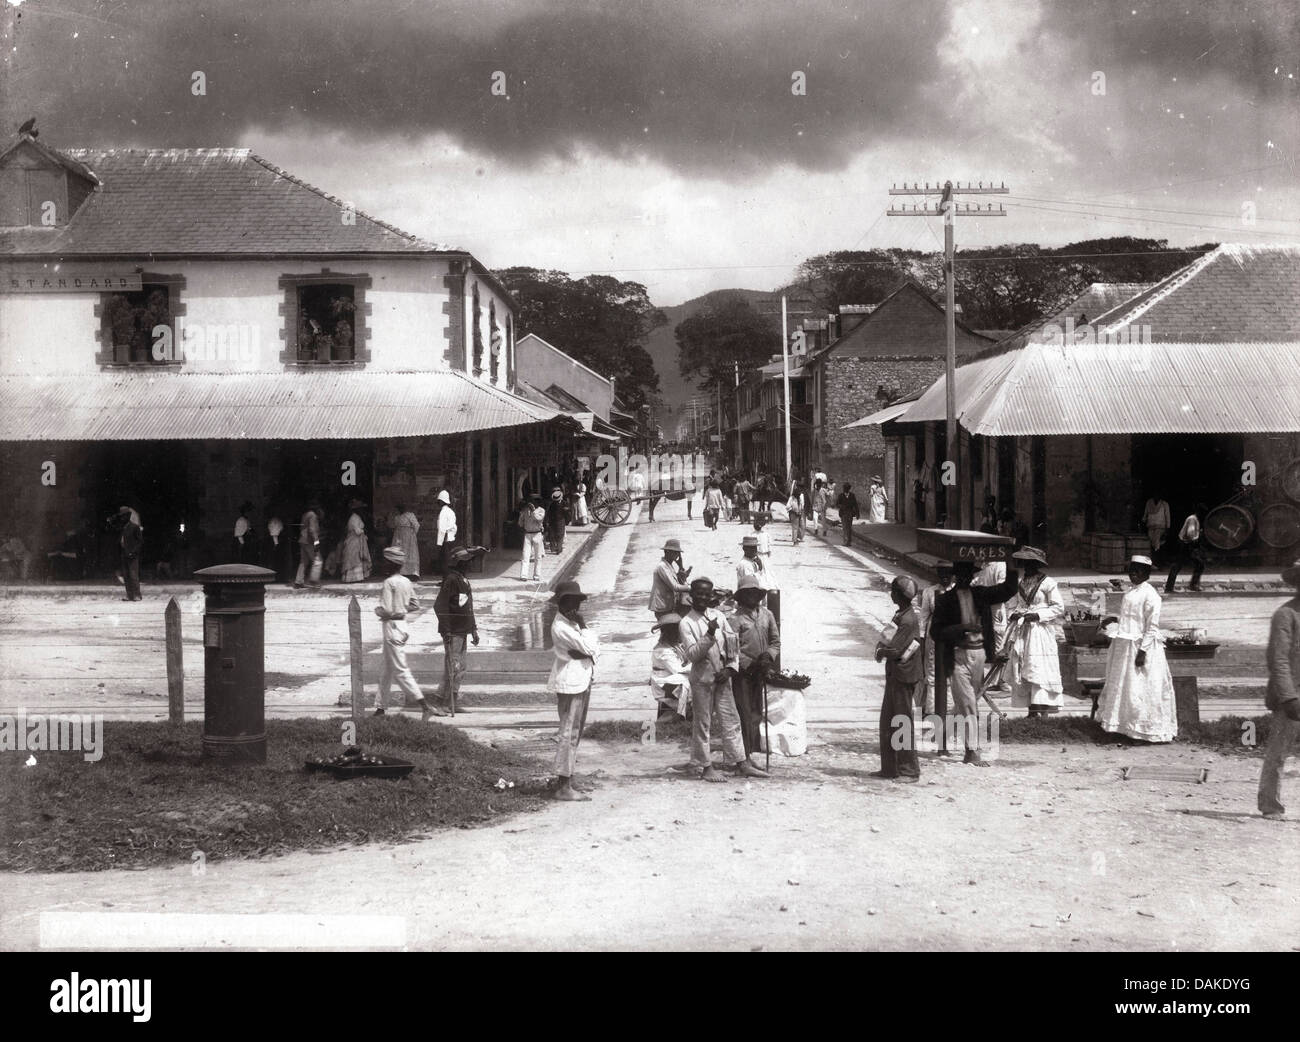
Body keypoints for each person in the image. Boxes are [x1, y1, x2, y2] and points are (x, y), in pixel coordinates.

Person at [931, 557, 1019, 765]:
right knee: (969, 703)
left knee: (967, 701)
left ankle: (942, 736)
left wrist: (1010, 563)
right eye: (960, 575)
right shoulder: (946, 599)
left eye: (967, 574)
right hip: (958, 655)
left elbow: (1008, 589)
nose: (963, 578)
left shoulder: (981, 594)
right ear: (955, 576)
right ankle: (972, 751)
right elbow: (936, 631)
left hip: (979, 654)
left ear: (971, 576)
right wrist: (961, 629)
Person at [680, 577, 768, 781]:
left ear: (712, 595)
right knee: (703, 724)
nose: (703, 597)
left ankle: (741, 763)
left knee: (731, 720)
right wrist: (709, 633)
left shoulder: (719, 616)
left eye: (707, 594)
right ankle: (706, 767)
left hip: (723, 677)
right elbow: (692, 654)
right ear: (691, 596)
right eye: (698, 594)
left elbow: (732, 643)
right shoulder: (686, 623)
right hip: (702, 679)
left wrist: (730, 668)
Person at [1096, 555, 1177, 743]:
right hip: (1125, 645)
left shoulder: (1151, 595)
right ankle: (1123, 727)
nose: (1134, 574)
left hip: (1141, 648)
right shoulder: (1131, 592)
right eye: (1131, 570)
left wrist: (1143, 651)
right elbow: (1132, 618)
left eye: (1138, 571)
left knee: (1141, 688)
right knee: (1125, 687)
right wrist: (1115, 619)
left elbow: (1151, 626)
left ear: (1147, 573)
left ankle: (1143, 730)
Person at [373, 546, 443, 719]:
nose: (382, 565)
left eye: (384, 562)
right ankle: (380, 708)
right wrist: (402, 610)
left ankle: (424, 706)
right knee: (386, 669)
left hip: (392, 627)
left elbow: (386, 609)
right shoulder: (406, 581)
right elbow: (415, 605)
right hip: (402, 626)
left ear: (390, 564)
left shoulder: (389, 583)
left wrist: (378, 611)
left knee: (400, 670)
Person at [547, 580, 600, 801]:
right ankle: (563, 785)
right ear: (560, 603)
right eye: (569, 602)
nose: (574, 608)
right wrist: (587, 645)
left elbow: (596, 649)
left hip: (582, 679)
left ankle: (567, 777)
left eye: (576, 603)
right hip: (570, 683)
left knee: (575, 733)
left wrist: (586, 646)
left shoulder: (573, 623)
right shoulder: (560, 627)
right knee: (568, 733)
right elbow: (590, 647)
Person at [1000, 546, 1065, 717]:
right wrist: (1014, 614)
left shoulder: (1048, 583)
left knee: (1039, 668)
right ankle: (1031, 709)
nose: (1027, 567)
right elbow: (1013, 604)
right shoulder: (1021, 582)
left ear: (1037, 564)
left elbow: (1058, 607)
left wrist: (1038, 615)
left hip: (1040, 632)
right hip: (1023, 631)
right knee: (1024, 667)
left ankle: (1041, 709)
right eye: (1025, 563)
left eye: (1031, 563)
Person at [1258, 558, 1300, 819]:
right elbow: (1279, 659)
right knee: (1278, 753)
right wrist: (1289, 697)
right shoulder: (1286, 615)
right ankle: (1270, 804)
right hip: (1292, 696)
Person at [875, 575, 923, 781]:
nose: (891, 594)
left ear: (900, 595)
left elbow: (895, 649)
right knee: (888, 721)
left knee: (902, 721)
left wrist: (881, 652)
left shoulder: (907, 619)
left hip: (903, 676)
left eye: (893, 591)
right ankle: (890, 768)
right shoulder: (901, 614)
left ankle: (909, 770)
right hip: (896, 674)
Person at [731, 574, 780, 770]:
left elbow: (775, 641)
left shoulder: (767, 615)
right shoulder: (734, 619)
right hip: (743, 673)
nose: (751, 597)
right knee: (743, 713)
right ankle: (743, 758)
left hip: (760, 671)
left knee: (756, 713)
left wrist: (768, 656)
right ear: (741, 596)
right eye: (747, 594)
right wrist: (749, 663)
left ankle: (749, 755)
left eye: (754, 593)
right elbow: (732, 650)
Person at [432, 545, 483, 714]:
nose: (469, 565)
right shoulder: (451, 580)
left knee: (461, 668)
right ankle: (439, 703)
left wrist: (473, 629)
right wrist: (446, 630)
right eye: (466, 563)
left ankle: (451, 701)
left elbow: (468, 607)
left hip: (463, 631)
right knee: (451, 668)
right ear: (459, 564)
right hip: (453, 631)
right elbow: (439, 606)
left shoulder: (464, 580)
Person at [914, 563, 953, 722]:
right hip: (934, 636)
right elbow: (923, 618)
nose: (944, 576)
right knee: (932, 671)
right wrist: (922, 640)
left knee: (950, 671)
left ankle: (949, 709)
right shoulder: (930, 592)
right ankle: (931, 710)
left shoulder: (957, 591)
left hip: (952, 636)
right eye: (941, 573)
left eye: (948, 573)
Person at [650, 612, 691, 724]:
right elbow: (678, 669)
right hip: (663, 684)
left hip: (671, 679)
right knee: (689, 681)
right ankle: (679, 714)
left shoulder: (675, 646)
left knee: (690, 679)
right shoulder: (663, 650)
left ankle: (684, 713)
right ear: (667, 632)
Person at [1165, 503, 1207, 594]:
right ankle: (1191, 585)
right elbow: (1190, 533)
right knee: (1196, 564)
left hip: (1186, 544)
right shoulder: (1193, 519)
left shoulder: (1194, 519)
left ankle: (1191, 585)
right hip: (1185, 544)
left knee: (1196, 564)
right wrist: (1198, 537)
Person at [649, 538, 692, 621]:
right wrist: (692, 587)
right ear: (667, 552)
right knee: (668, 630)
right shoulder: (662, 566)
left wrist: (681, 567)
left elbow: (679, 582)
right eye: (675, 552)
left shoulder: (669, 566)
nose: (677, 555)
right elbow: (675, 586)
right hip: (662, 606)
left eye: (678, 553)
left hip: (668, 604)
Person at [295, 501, 323, 589]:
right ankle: (314, 581)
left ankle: (298, 581)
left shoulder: (305, 515)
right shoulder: (313, 516)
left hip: (302, 540)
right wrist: (316, 542)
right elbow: (312, 529)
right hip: (309, 541)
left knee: (303, 561)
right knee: (317, 560)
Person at [341, 502, 371, 583]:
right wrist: (363, 531)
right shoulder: (354, 518)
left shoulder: (356, 517)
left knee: (355, 557)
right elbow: (357, 531)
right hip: (354, 540)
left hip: (355, 540)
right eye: (360, 509)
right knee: (354, 557)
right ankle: (352, 578)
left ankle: (356, 577)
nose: (362, 510)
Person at [389, 502, 420, 580]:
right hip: (399, 537)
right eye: (399, 508)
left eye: (402, 508)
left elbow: (416, 525)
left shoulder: (410, 515)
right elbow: (394, 526)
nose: (400, 510)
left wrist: (412, 535)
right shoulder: (397, 517)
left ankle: (412, 573)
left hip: (409, 537)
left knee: (410, 553)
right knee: (400, 552)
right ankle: (402, 572)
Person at [518, 494, 546, 582]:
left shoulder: (541, 510)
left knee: (538, 556)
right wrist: (522, 515)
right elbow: (520, 523)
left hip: (537, 534)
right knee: (525, 555)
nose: (532, 503)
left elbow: (539, 519)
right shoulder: (525, 510)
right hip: (527, 534)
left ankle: (536, 575)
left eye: (534, 501)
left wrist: (533, 511)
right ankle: (524, 575)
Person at [118, 506, 143, 601]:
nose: (122, 518)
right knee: (126, 576)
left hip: (132, 555)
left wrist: (133, 552)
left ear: (128, 516)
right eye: (121, 516)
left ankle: (137, 595)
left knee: (133, 576)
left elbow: (140, 542)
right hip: (124, 554)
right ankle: (129, 595)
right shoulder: (122, 528)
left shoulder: (135, 527)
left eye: (124, 516)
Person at [263, 513, 292, 583]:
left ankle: (274, 578)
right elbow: (278, 531)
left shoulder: (271, 522)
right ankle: (280, 578)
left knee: (273, 561)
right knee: (279, 562)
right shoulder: (277, 522)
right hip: (277, 541)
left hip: (274, 541)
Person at [1141, 492, 1170, 561]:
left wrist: (1168, 528)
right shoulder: (1149, 502)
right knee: (1151, 543)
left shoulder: (1164, 504)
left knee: (1157, 544)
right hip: (1150, 526)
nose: (1156, 496)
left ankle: (1157, 561)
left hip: (1160, 527)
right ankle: (1153, 561)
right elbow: (1146, 513)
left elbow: (1167, 516)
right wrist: (1143, 520)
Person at [434, 490, 457, 576]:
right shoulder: (450, 511)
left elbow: (442, 529)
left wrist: (439, 543)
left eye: (438, 501)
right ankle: (446, 579)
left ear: (441, 501)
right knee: (447, 559)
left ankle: (446, 579)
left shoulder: (443, 512)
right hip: (450, 538)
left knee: (445, 560)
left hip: (445, 538)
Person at [544, 486, 569, 554]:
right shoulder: (563, 503)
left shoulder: (553, 504)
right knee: (556, 535)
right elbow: (566, 513)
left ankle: (556, 548)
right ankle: (556, 548)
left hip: (557, 521)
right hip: (556, 521)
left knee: (557, 535)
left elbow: (548, 513)